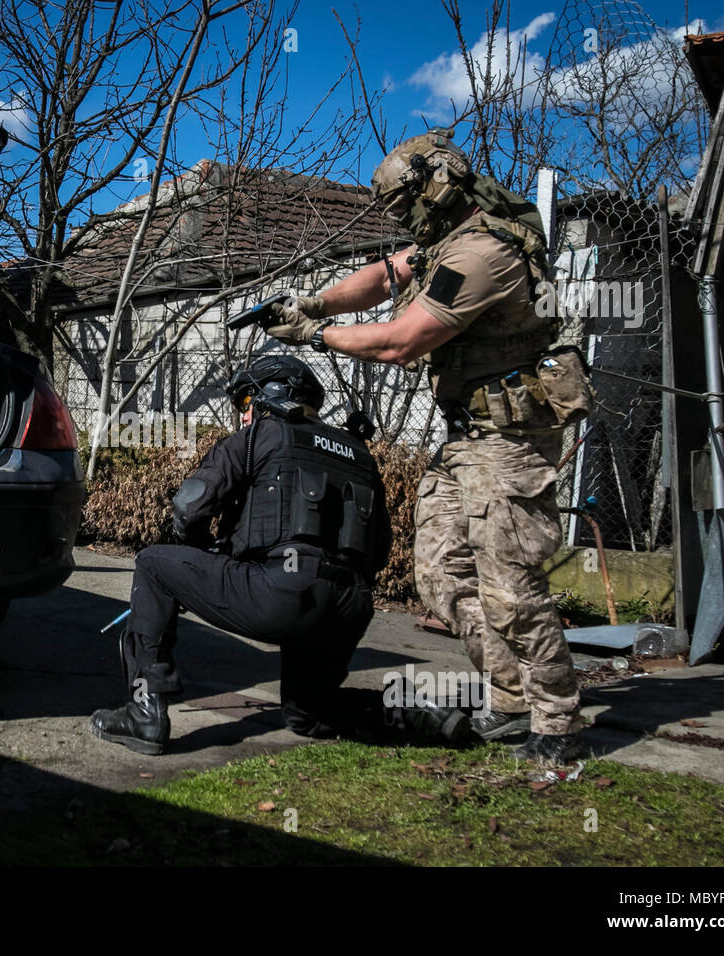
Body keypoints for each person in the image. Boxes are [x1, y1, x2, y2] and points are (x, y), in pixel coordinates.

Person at [263, 129, 586, 765]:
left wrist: (318, 333)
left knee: (511, 587)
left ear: (435, 186)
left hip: (512, 441)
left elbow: (402, 341)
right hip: (467, 435)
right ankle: (512, 696)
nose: (398, 215)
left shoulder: (483, 255)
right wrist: (316, 299)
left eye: (402, 200)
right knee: (440, 573)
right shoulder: (443, 245)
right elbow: (384, 277)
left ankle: (559, 721)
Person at [89, 355, 469, 755]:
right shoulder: (359, 453)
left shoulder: (263, 435)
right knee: (308, 714)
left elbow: (189, 505)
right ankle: (418, 712)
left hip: (280, 596)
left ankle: (144, 712)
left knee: (153, 564)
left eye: (244, 404)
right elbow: (382, 551)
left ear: (266, 398)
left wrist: (197, 555)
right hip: (349, 609)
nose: (242, 416)